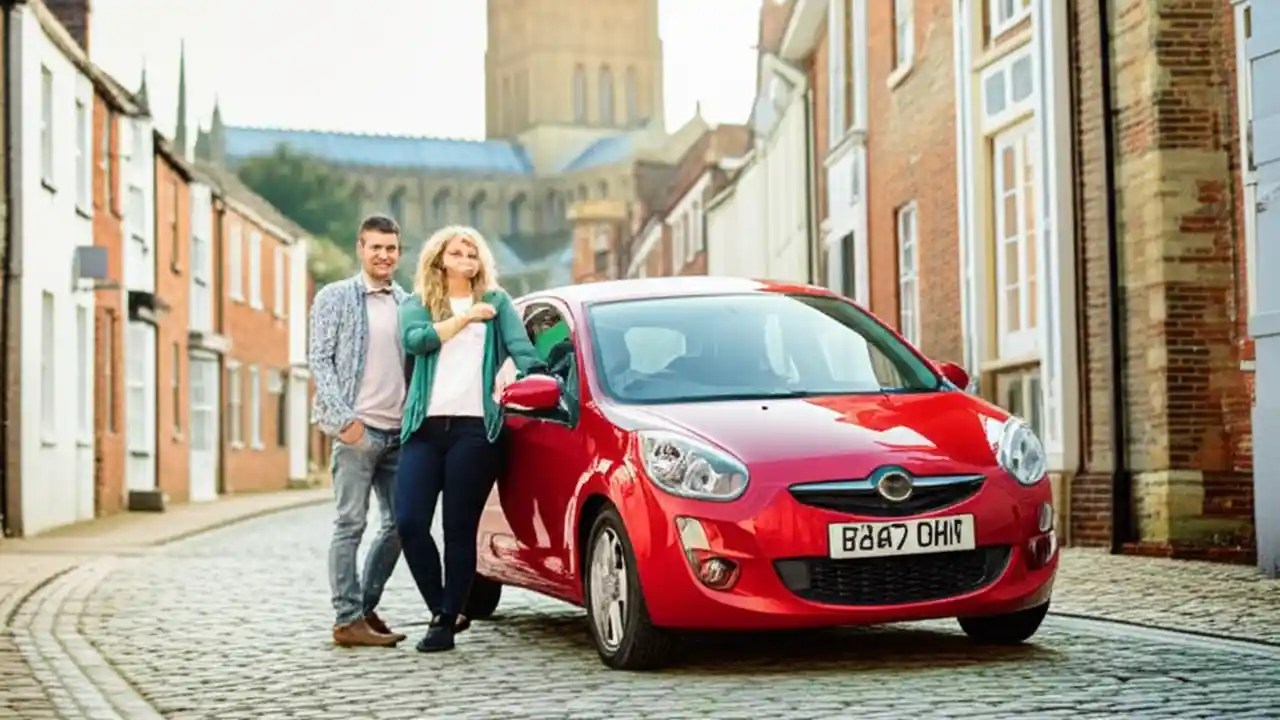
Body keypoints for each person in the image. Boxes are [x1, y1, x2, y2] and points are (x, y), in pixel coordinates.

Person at [395, 224, 547, 653]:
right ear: (440, 258)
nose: (466, 260)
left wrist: (543, 379)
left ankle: (444, 622)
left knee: (458, 529)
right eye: (458, 253)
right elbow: (418, 341)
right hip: (423, 430)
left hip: (476, 430)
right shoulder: (417, 304)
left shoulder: (496, 303)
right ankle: (444, 605)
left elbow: (523, 350)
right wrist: (463, 318)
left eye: (473, 254)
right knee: (409, 522)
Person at [309, 214, 409, 648]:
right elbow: (320, 360)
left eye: (391, 248)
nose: (384, 255)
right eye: (376, 247)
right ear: (360, 248)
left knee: (402, 523)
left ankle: (364, 609)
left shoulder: (408, 303)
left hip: (399, 433)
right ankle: (346, 617)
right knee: (351, 523)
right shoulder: (335, 297)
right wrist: (345, 420)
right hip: (358, 432)